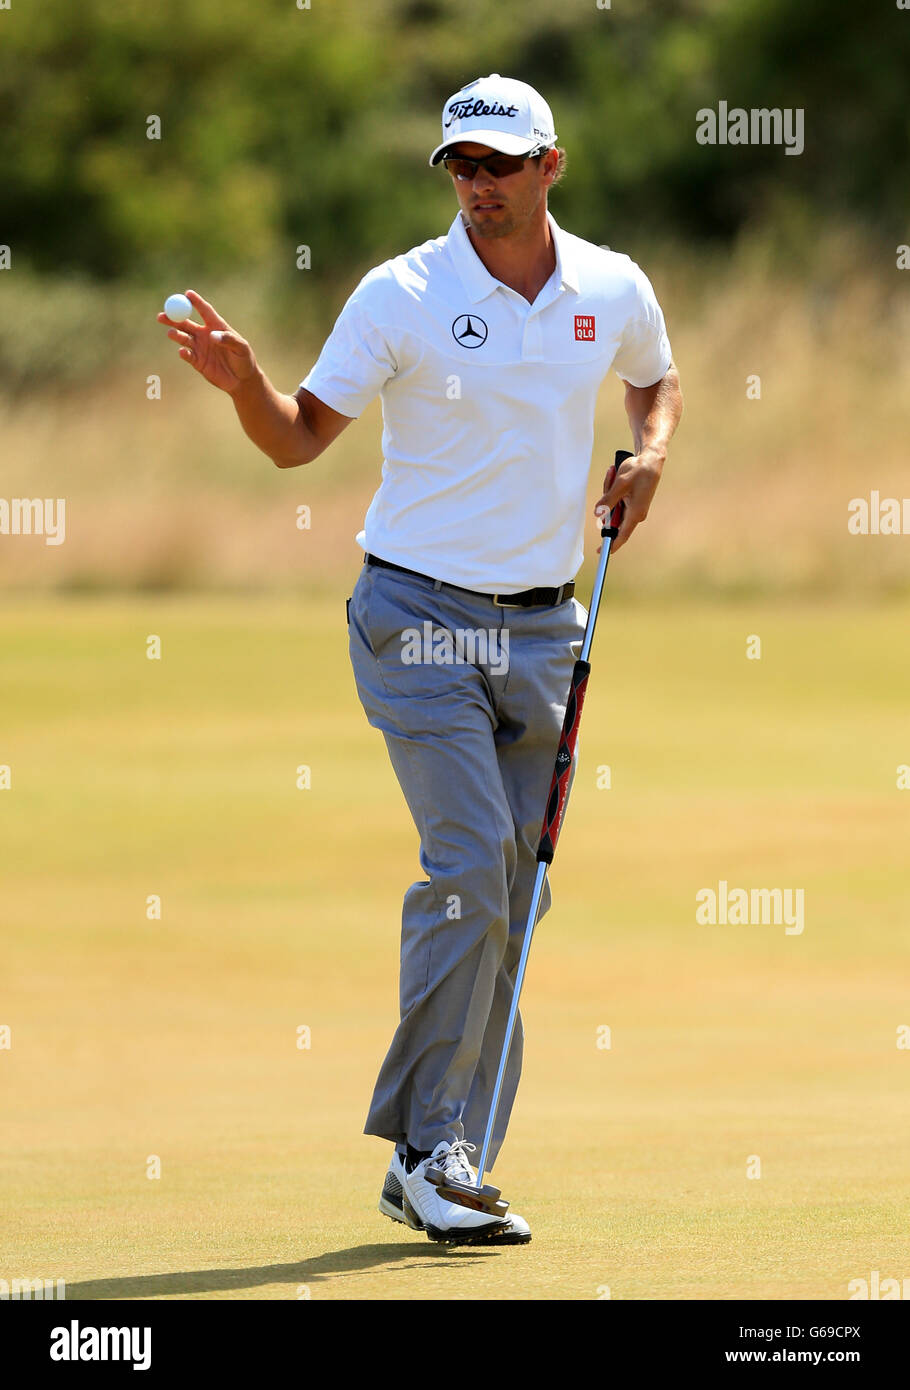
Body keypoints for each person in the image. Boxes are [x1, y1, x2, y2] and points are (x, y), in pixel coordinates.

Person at [157, 73, 683, 1247]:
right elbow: (298, 440)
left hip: (547, 624)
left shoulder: (609, 283)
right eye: (459, 165)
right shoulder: (400, 293)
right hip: (417, 616)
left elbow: (656, 375)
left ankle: (442, 1158)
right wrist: (248, 388)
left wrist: (649, 455)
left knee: (518, 887)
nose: (477, 184)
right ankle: (432, 1151)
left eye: (498, 164)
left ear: (551, 164)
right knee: (471, 858)